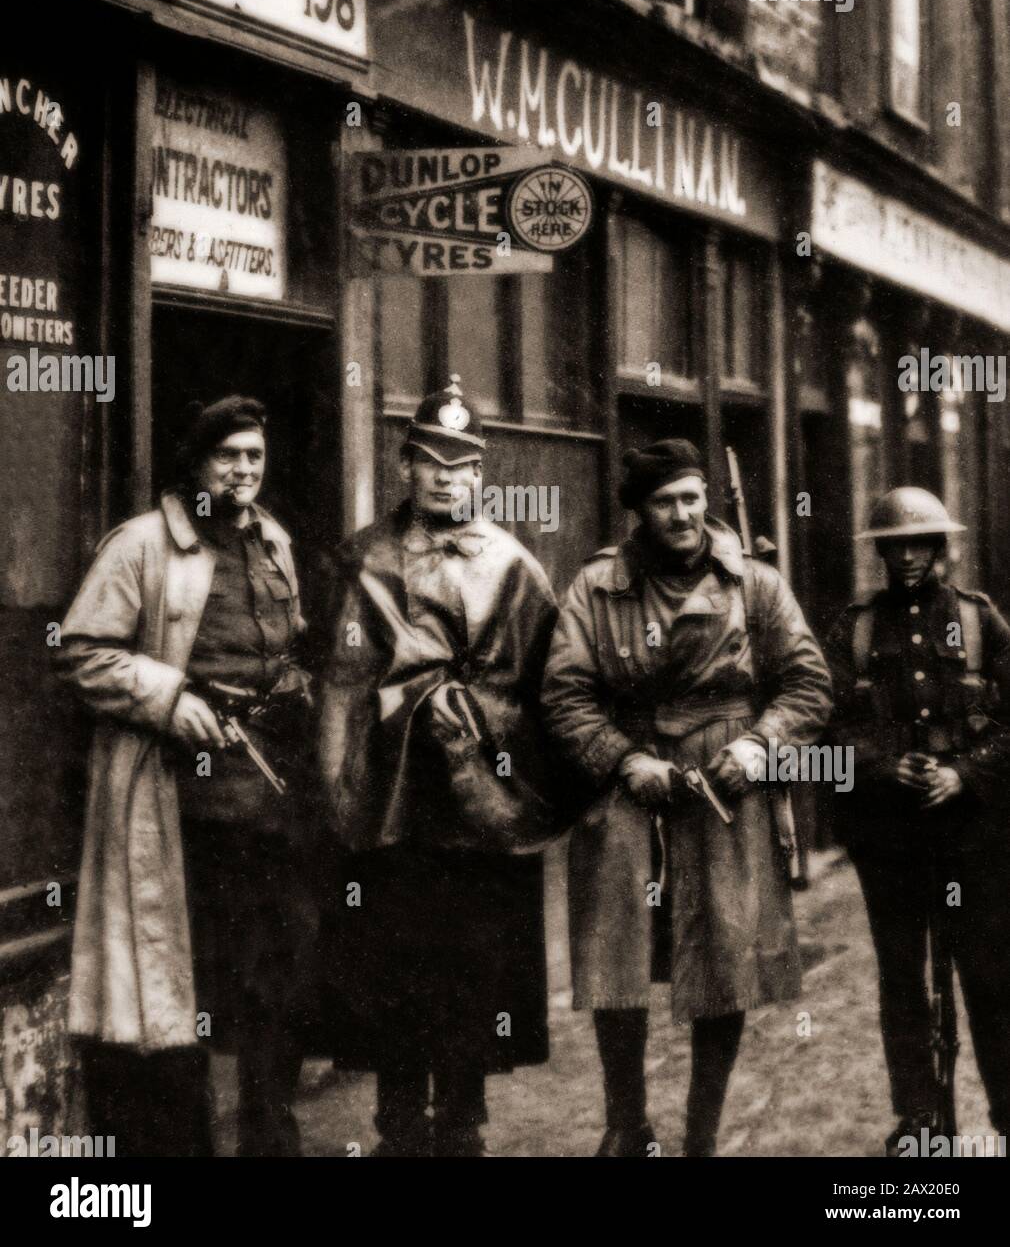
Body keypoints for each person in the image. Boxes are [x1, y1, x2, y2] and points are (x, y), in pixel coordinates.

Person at [540, 439, 832, 1156]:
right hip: (631, 780)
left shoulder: (755, 584)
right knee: (617, 950)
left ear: (708, 498)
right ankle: (626, 1124)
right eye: (665, 501)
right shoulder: (596, 586)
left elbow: (809, 683)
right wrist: (621, 757)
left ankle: (702, 1135)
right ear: (639, 511)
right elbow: (564, 691)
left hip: (726, 783)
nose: (682, 514)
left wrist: (759, 745)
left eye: (692, 497)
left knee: (725, 953)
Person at [56, 396, 315, 1156]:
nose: (243, 471)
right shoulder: (141, 545)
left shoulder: (273, 542)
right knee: (185, 988)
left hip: (270, 796)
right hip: (181, 802)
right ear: (196, 465)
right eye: (228, 456)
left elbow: (289, 642)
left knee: (276, 983)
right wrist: (169, 699)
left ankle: (270, 1140)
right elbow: (82, 653)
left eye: (254, 458)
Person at [315, 376, 559, 1157]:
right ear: (405, 466)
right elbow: (342, 684)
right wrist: (344, 782)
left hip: (479, 803)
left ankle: (462, 1126)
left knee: (471, 973)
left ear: (482, 473)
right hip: (392, 802)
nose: (445, 477)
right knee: (394, 970)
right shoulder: (363, 559)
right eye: (430, 460)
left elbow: (548, 690)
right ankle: (397, 1129)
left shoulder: (516, 569)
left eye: (462, 463)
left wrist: (481, 724)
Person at [825, 487, 1010, 1153]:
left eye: (919, 543)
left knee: (990, 975)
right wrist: (883, 764)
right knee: (901, 976)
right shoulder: (855, 628)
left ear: (940, 547)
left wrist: (966, 771)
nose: (906, 557)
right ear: (879, 551)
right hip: (891, 837)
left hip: (974, 835)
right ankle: (920, 1116)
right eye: (893, 544)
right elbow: (829, 725)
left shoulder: (981, 620)